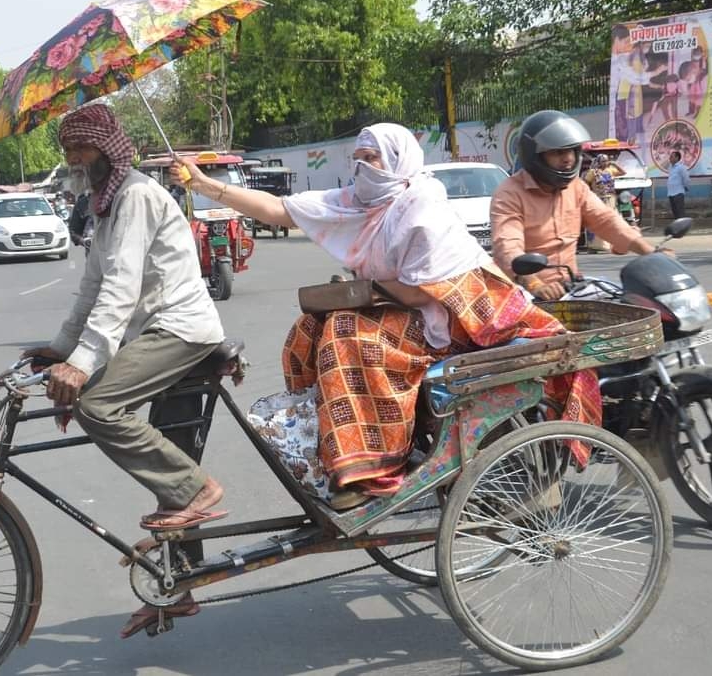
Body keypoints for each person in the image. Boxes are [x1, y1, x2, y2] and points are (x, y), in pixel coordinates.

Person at [171, 123, 601, 497]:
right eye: (358, 158)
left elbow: (421, 292)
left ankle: (376, 461)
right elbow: (281, 209)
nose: (364, 167)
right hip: (407, 305)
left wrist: (364, 291)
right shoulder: (361, 200)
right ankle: (329, 448)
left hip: (459, 318)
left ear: (397, 159)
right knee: (308, 330)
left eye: (372, 157)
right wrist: (202, 184)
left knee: (349, 336)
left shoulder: (421, 204)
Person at [20, 105, 225, 638]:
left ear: (108, 149)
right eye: (68, 152)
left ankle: (197, 489)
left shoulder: (133, 195)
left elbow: (120, 290)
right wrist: (59, 349)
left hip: (180, 329)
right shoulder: (104, 204)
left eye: (81, 150)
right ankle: (180, 586)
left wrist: (81, 366)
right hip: (150, 331)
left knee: (96, 405)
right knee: (167, 453)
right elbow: (91, 285)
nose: (74, 160)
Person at [491, 110, 662, 301]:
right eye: (557, 152)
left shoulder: (576, 187)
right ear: (535, 156)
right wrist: (535, 284)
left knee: (633, 307)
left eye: (572, 150)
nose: (568, 158)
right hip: (526, 293)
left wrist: (653, 254)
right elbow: (507, 247)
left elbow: (607, 221)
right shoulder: (510, 194)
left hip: (571, 287)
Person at [582, 153, 625, 252]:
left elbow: (623, 172)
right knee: (597, 221)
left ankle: (610, 244)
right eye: (603, 161)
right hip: (598, 199)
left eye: (606, 161)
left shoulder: (610, 170)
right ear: (598, 162)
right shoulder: (593, 172)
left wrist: (614, 164)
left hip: (610, 199)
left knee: (611, 221)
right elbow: (585, 183)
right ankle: (595, 246)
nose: (605, 163)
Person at [666, 150, 691, 219]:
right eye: (670, 157)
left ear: (677, 158)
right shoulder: (670, 167)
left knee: (680, 212)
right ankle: (678, 226)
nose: (670, 158)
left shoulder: (681, 167)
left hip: (678, 193)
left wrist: (686, 187)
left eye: (671, 157)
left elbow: (686, 179)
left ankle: (682, 227)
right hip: (671, 193)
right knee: (675, 212)